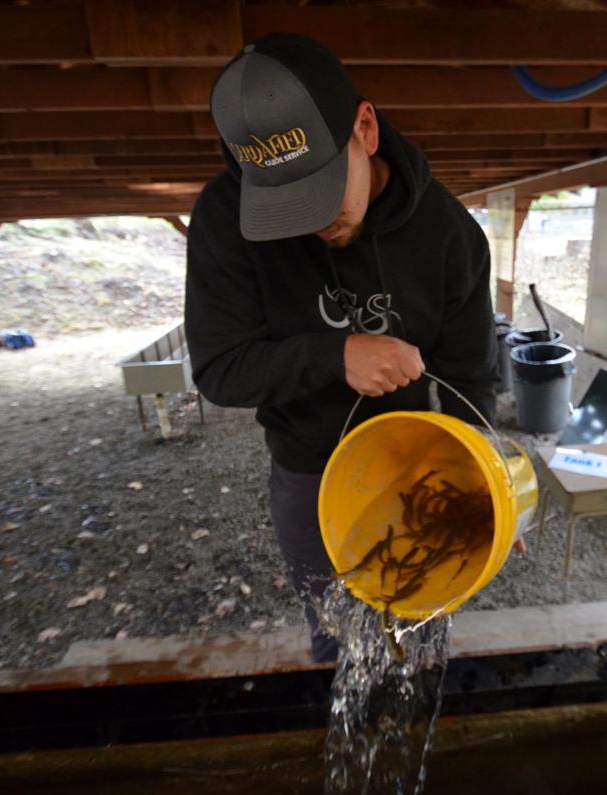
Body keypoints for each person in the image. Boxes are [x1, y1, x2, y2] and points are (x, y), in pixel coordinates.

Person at [185, 34, 497, 662]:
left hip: (418, 465)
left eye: (321, 189)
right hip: (308, 472)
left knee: (417, 628)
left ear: (365, 127)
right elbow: (220, 369)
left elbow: (473, 379)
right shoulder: (225, 216)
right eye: (282, 205)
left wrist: (487, 481)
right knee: (338, 638)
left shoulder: (450, 236)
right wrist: (335, 356)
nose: (308, 222)